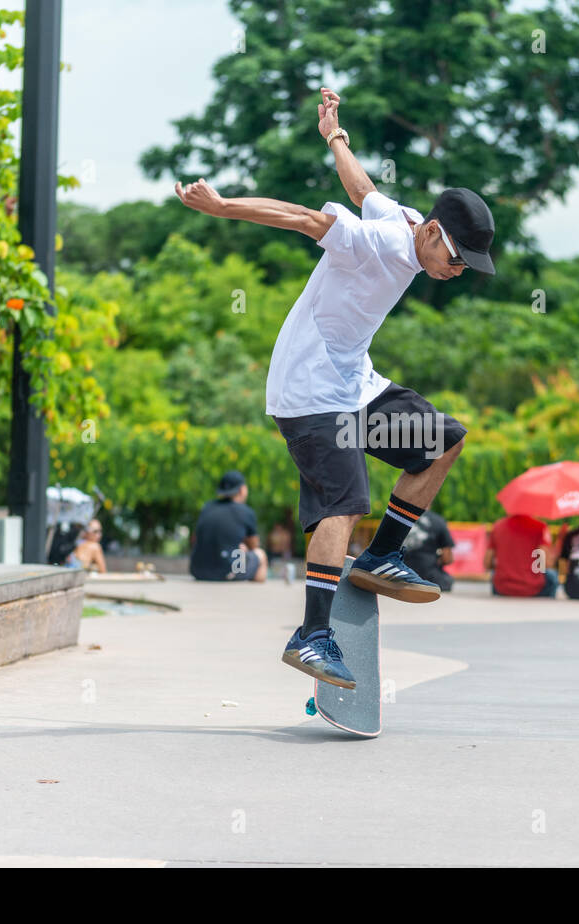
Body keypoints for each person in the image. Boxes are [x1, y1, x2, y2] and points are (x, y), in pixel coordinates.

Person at [176, 87, 494, 689]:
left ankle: (381, 558)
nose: (455, 273)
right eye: (455, 261)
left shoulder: (398, 219)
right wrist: (221, 208)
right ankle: (312, 635)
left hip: (353, 383)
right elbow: (304, 217)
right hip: (307, 389)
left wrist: (335, 137)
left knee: (444, 440)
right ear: (431, 234)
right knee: (346, 501)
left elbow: (361, 189)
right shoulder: (375, 242)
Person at [189, 470, 268, 583]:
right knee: (260, 554)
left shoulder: (207, 508)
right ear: (242, 489)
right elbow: (254, 546)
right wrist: (243, 548)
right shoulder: (245, 512)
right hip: (227, 572)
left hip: (198, 571)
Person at [486, 514, 559, 598]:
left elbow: (487, 563)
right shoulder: (540, 527)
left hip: (502, 588)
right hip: (533, 588)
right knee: (552, 575)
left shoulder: (498, 526)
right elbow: (545, 564)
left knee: (494, 573)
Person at [400, 508, 456, 591]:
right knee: (448, 580)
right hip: (428, 576)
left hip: (401, 574)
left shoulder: (398, 518)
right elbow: (447, 558)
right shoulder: (438, 520)